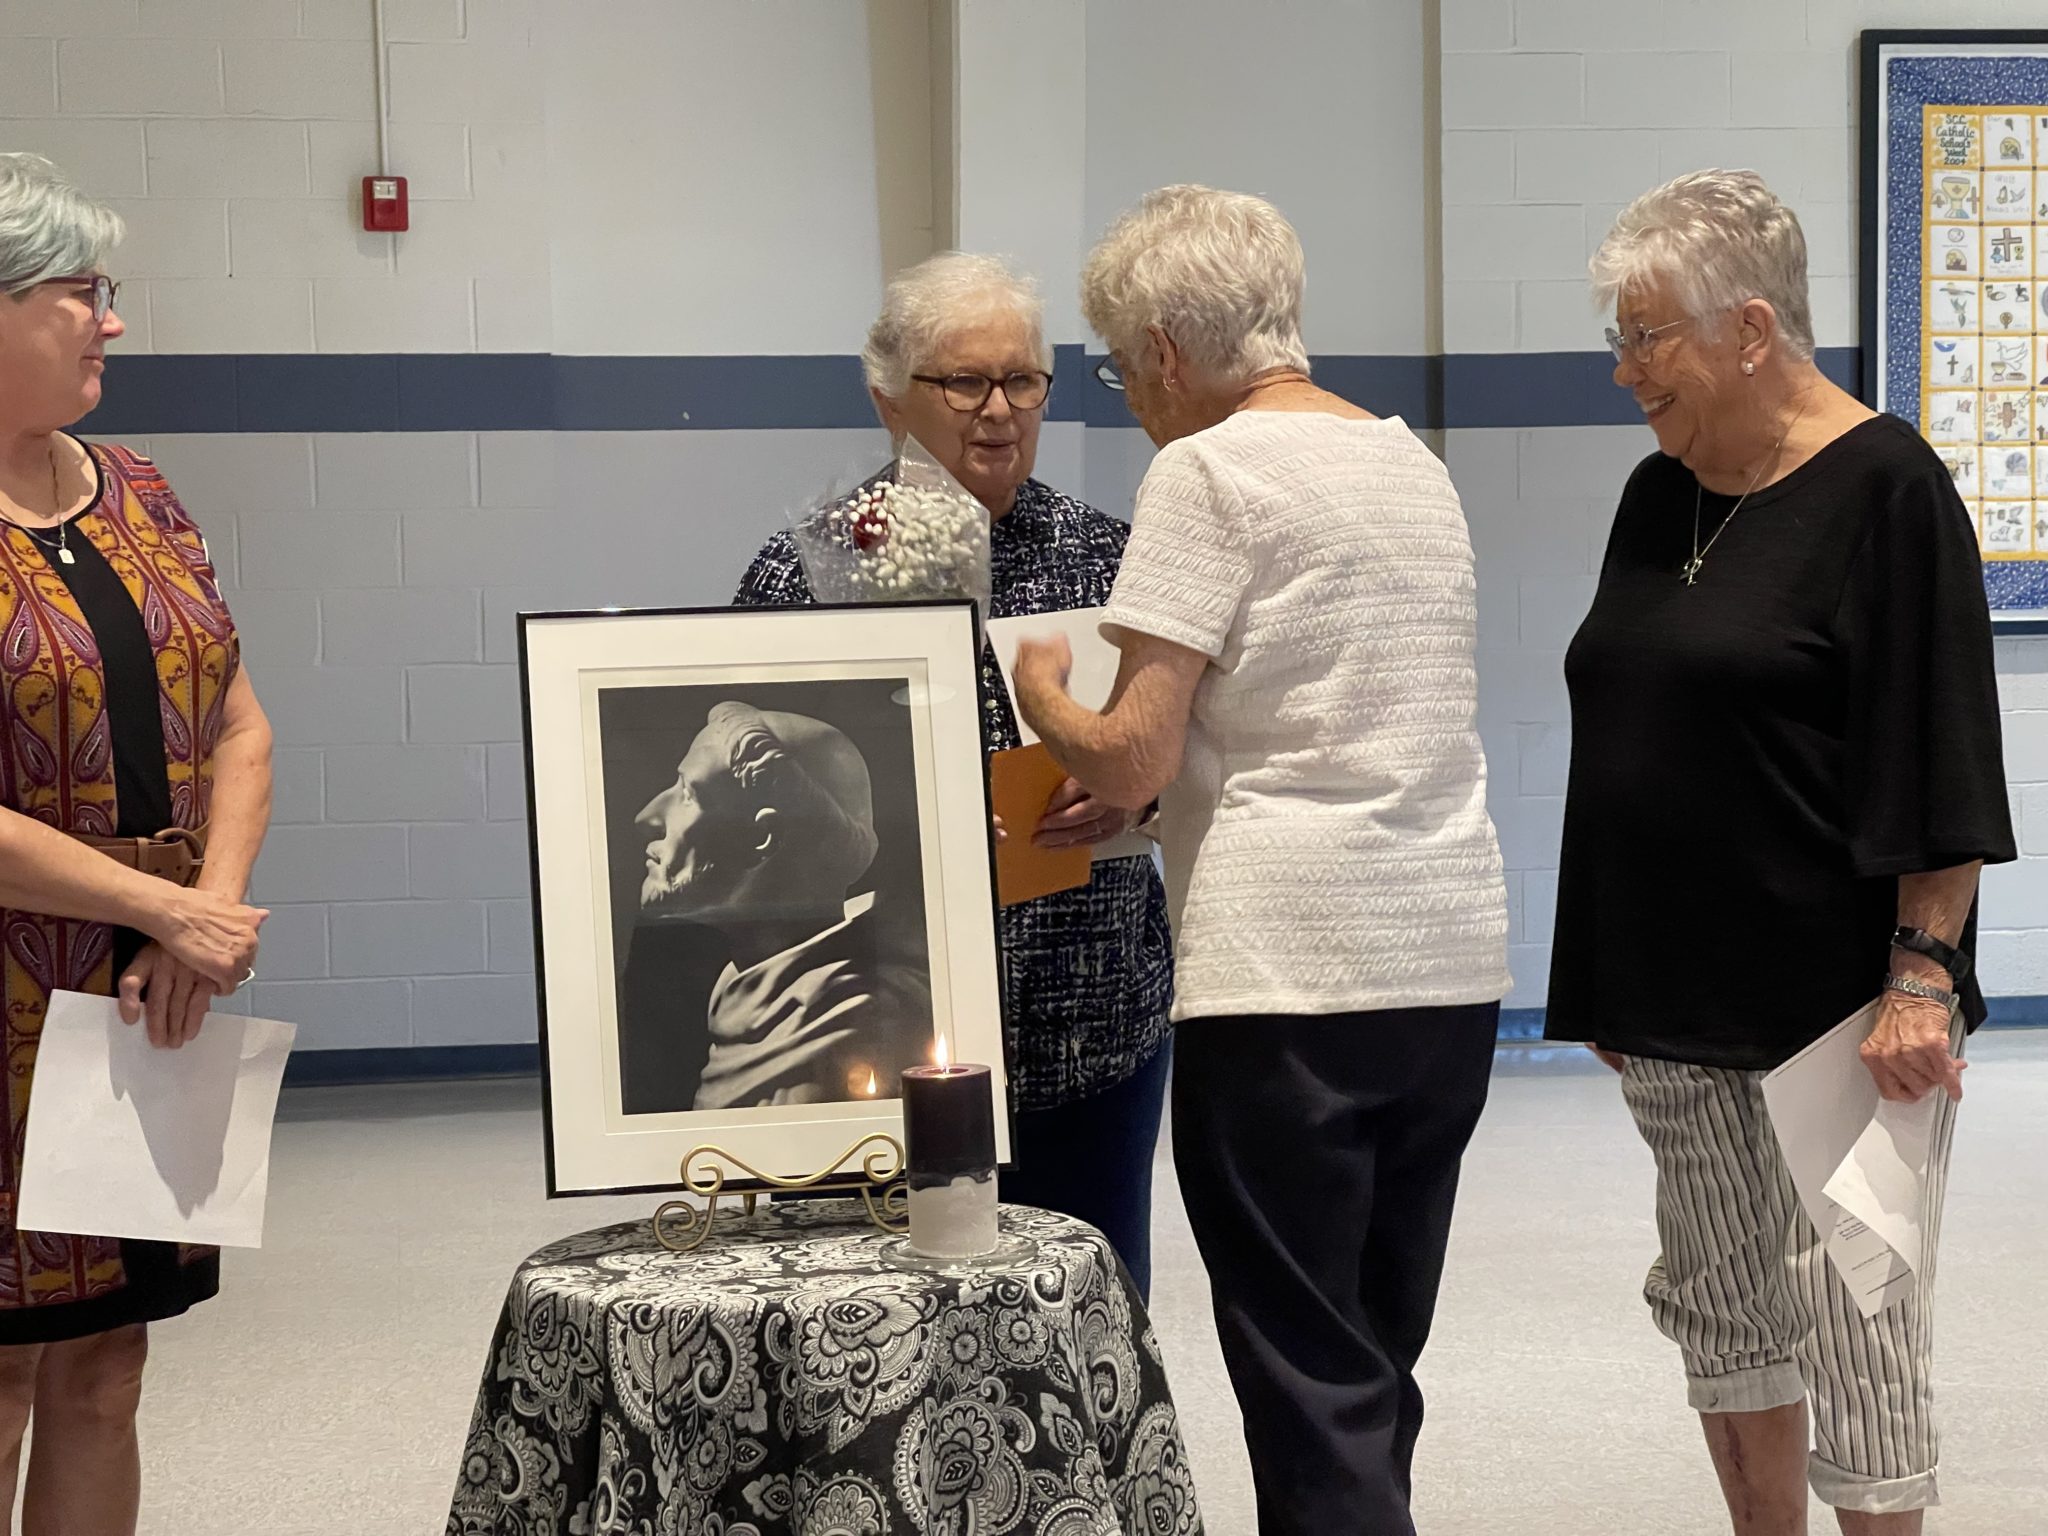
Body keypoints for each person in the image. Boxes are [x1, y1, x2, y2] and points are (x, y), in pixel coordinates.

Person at [1012, 184, 1511, 1536]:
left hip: (1286, 976)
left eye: (1121, 367)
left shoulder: (1206, 471)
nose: (1128, 398)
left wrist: (1047, 688)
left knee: (1304, 1379)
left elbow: (1129, 755)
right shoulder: (1411, 461)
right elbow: (1323, 708)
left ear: (1168, 350)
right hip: (1448, 963)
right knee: (1371, 1359)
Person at [1547, 169, 2016, 1535]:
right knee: (1721, 1310)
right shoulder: (1659, 496)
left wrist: (1923, 973)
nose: (1628, 371)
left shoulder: (1888, 488)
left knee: (1854, 1314)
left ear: (1752, 330)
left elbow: (1942, 749)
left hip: (1840, 1013)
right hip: (1672, 1005)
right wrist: (1610, 973)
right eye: (1619, 339)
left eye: (1648, 338)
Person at [733, 251, 1175, 1297]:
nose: (998, 411)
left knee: (1084, 1323)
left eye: (1023, 380)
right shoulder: (806, 570)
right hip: (866, 1045)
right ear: (888, 393)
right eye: (963, 382)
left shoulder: (1108, 557)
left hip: (1086, 1031)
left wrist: (1136, 788)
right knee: (874, 1330)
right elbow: (746, 773)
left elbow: (1185, 753)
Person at [0, 154, 270, 1533]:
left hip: (143, 998)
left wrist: (203, 912)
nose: (110, 322)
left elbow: (238, 724)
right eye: (81, 294)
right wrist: (165, 913)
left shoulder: (141, 489)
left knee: (107, 1366)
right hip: (11, 1006)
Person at [634, 699, 928, 1109]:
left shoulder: (839, 1034)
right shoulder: (748, 994)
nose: (647, 816)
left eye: (689, 794)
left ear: (762, 836)